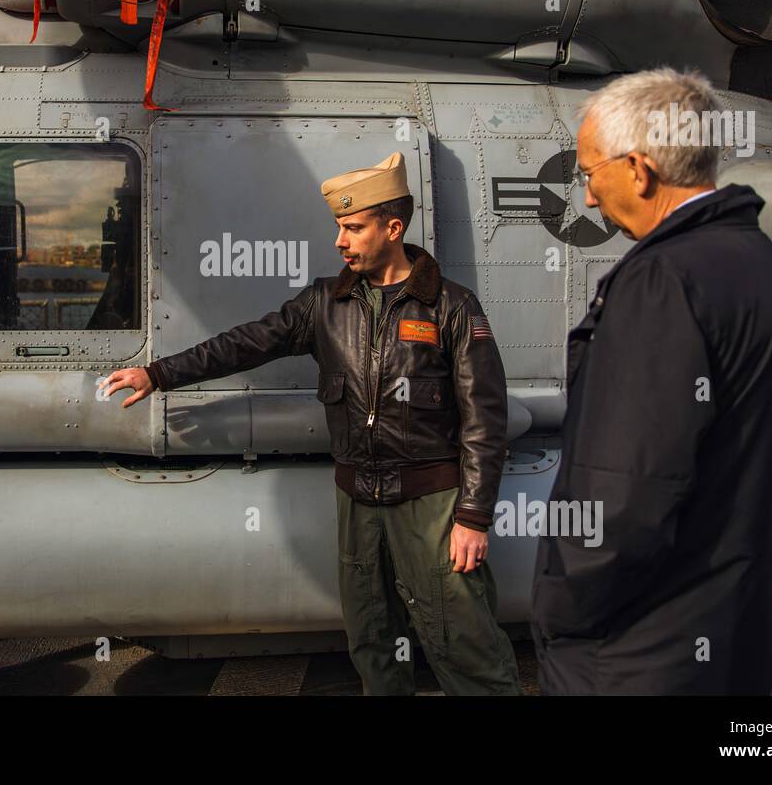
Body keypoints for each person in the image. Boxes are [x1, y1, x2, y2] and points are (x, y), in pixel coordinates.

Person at [103, 151, 520, 695]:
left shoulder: (451, 308)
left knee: (462, 641)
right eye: (338, 228)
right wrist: (158, 373)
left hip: (431, 502)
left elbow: (483, 420)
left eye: (352, 227)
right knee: (373, 642)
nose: (340, 241)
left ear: (393, 228)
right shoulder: (326, 302)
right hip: (358, 503)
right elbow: (247, 343)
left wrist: (473, 515)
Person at [531, 67, 772, 694]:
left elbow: (623, 493)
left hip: (637, 656)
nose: (586, 197)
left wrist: (561, 614)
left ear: (638, 169)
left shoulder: (660, 282)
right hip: (732, 637)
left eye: (588, 173)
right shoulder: (766, 271)